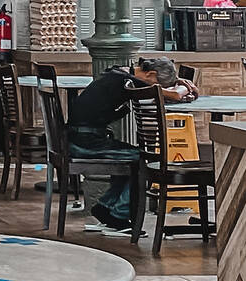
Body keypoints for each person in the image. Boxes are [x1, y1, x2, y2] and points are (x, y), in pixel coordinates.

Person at [68, 55, 195, 235]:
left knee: (133, 156)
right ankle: (119, 215)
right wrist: (183, 86)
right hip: (84, 143)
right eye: (158, 82)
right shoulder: (127, 81)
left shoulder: (118, 73)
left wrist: (178, 82)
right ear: (150, 74)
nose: (156, 86)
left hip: (79, 138)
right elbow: (174, 95)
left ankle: (106, 208)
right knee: (141, 160)